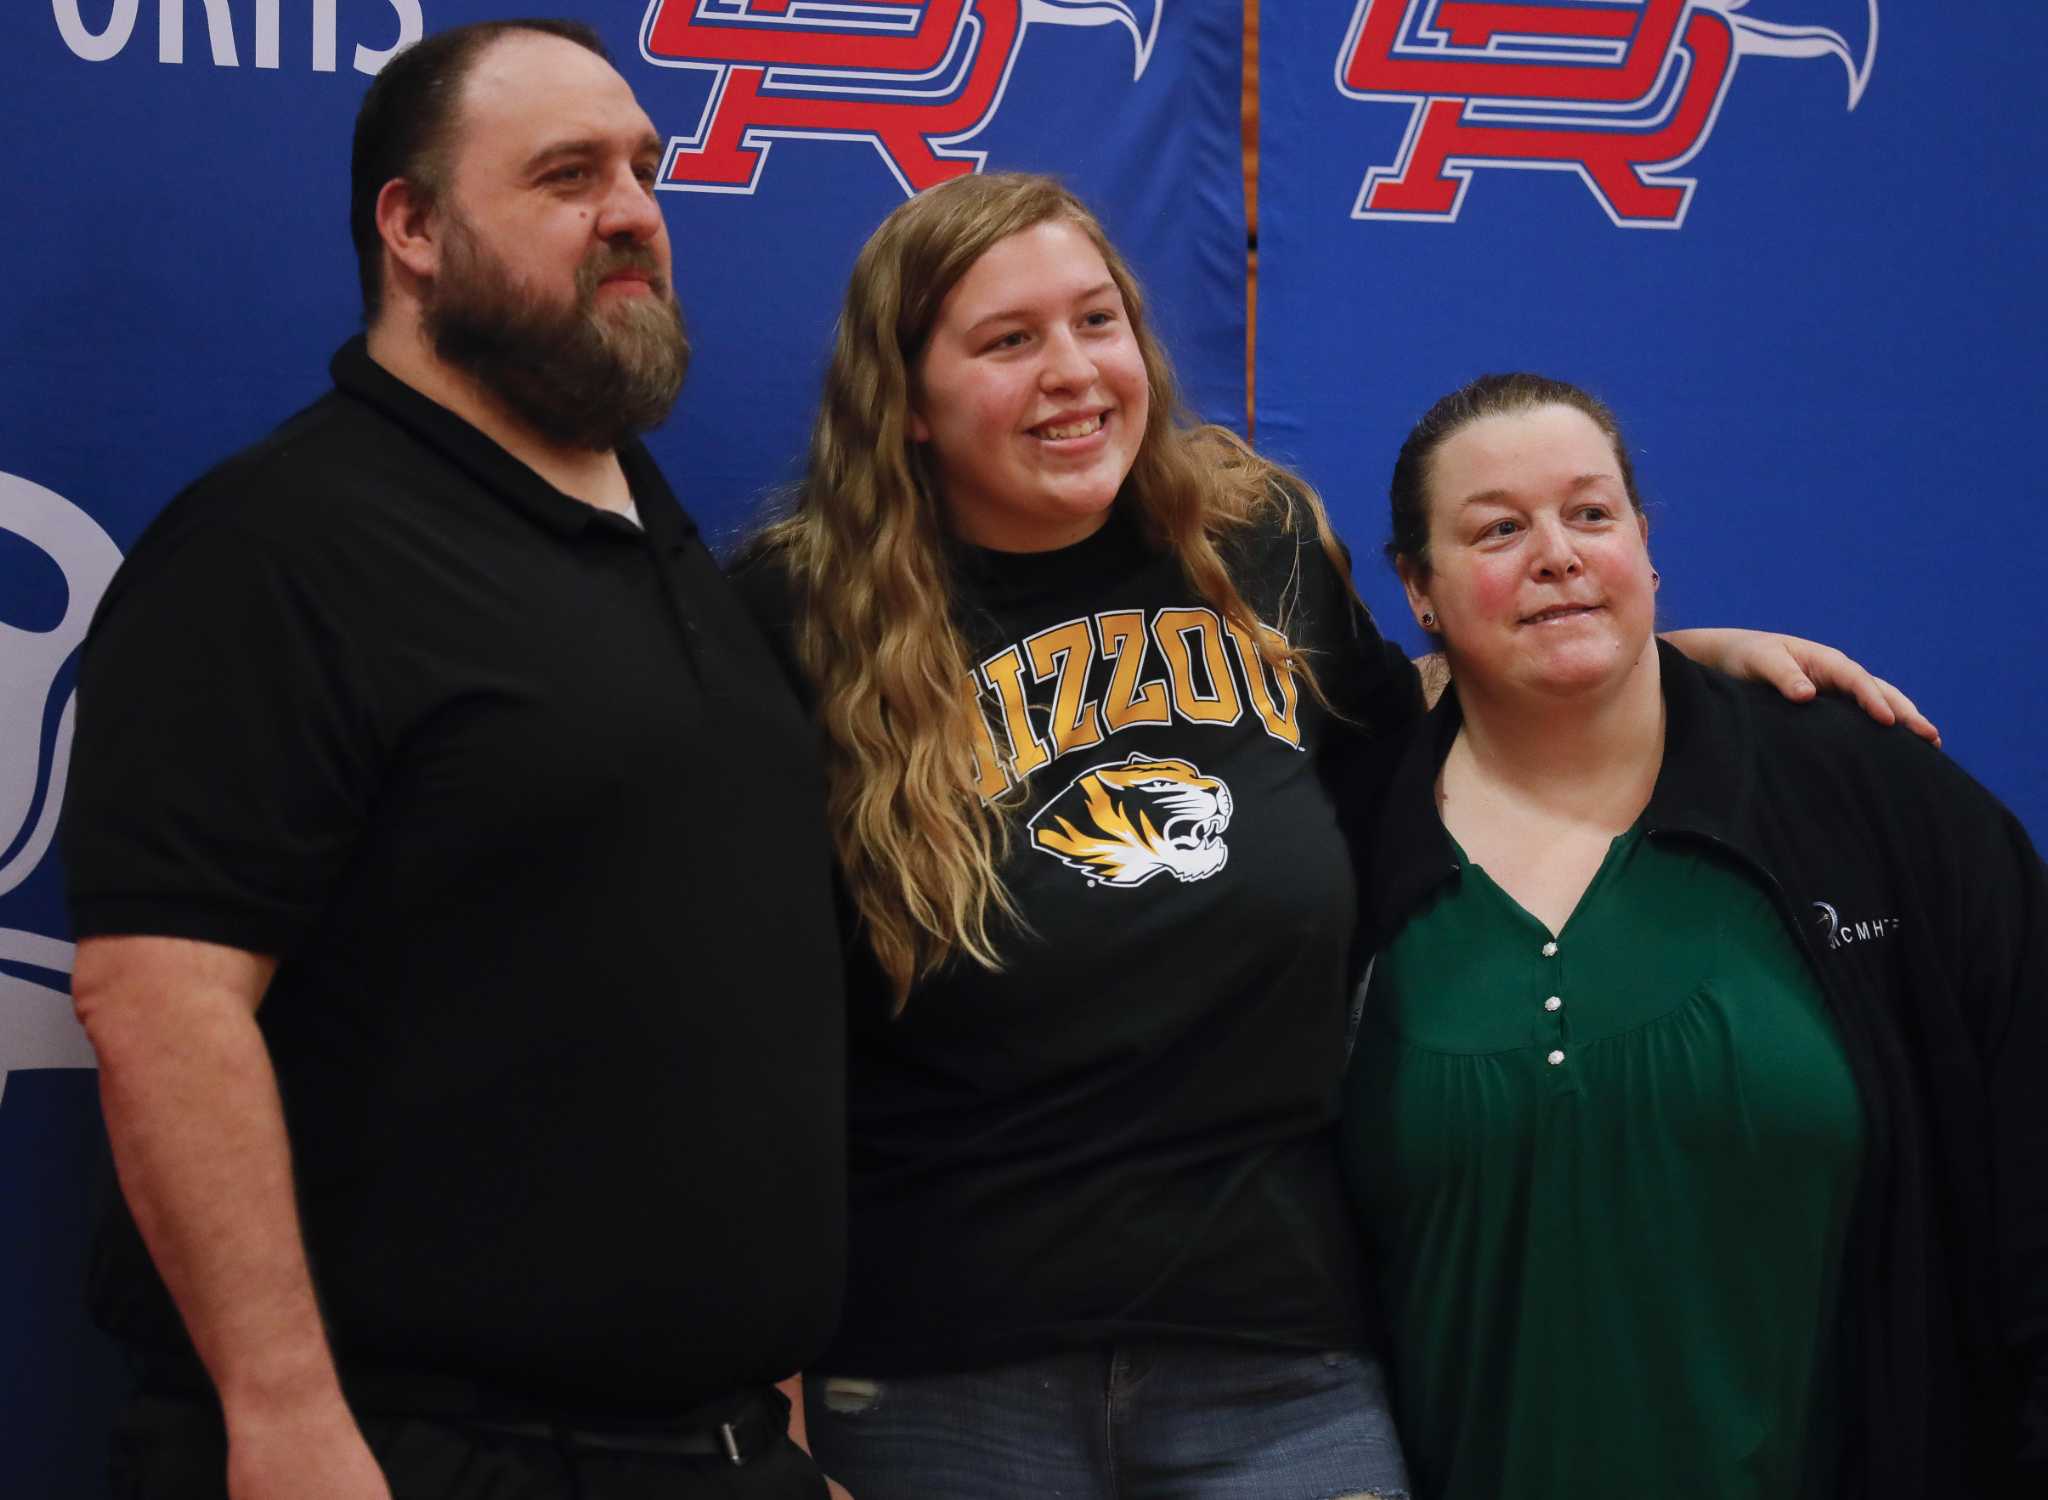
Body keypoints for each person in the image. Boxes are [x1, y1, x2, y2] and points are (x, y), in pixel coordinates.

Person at [732, 172, 1931, 1500]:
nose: (1072, 373)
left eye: (1096, 322)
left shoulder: (1251, 540)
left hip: (1272, 1353)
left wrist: (1638, 662)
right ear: (904, 401)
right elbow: (730, 1035)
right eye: (1009, 342)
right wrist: (769, 1406)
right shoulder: (796, 615)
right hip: (942, 1375)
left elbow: (1403, 725)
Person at [61, 20, 844, 1500]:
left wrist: (775, 1421)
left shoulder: (670, 549)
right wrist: (286, 1419)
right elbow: (160, 1002)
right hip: (420, 1452)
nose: (633, 211)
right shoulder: (274, 547)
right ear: (411, 228)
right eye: (566, 176)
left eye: (643, 170)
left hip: (714, 1449)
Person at [1341, 372, 2047, 1500]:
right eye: (1497, 529)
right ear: (1418, 591)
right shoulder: (1343, 852)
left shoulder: (1866, 798)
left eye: (1589, 514)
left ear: (1645, 550)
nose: (1557, 555)